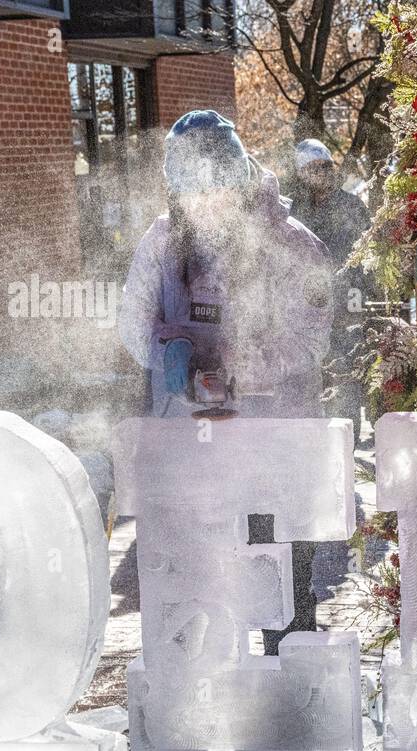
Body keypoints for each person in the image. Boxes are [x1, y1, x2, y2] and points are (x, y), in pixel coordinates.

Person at [118, 110, 334, 651]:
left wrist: (240, 370)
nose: (206, 204)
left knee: (279, 593)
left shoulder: (293, 245)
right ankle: (199, 714)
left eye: (216, 190)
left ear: (238, 181)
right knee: (197, 602)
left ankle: (291, 702)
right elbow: (132, 326)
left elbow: (312, 340)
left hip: (272, 446)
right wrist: (172, 357)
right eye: (193, 194)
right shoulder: (162, 243)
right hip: (191, 449)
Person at [285, 139, 373, 432]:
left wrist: (365, 295)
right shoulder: (293, 211)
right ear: (301, 173)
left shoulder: (351, 206)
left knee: (346, 366)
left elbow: (368, 254)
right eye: (315, 167)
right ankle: (311, 434)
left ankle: (349, 434)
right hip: (307, 307)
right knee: (311, 369)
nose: (323, 172)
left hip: (348, 301)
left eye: (327, 165)